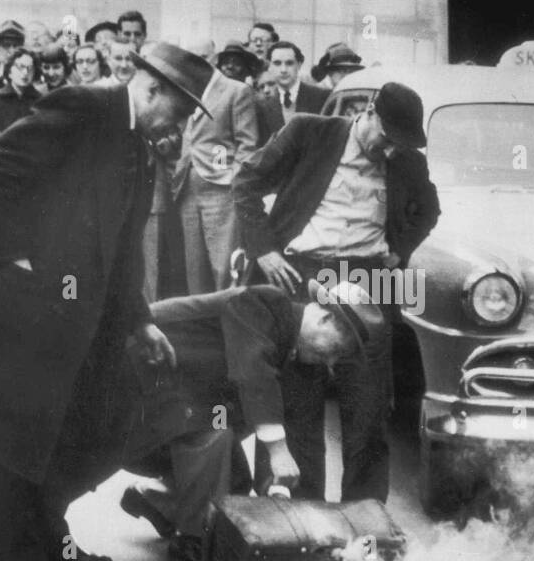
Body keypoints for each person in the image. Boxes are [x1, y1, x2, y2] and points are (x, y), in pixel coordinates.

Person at [0, 42, 211, 561]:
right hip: (17, 293)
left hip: (70, 306)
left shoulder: (140, 145)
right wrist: (14, 255)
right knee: (14, 424)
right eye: (183, 108)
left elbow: (123, 249)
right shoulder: (87, 107)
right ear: (151, 91)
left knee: (57, 423)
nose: (183, 122)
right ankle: (15, 560)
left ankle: (50, 546)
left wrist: (139, 321)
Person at [233, 82, 440, 503]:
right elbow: (246, 183)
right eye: (384, 139)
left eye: (397, 146)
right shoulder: (310, 132)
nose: (387, 151)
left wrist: (398, 253)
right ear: (367, 112)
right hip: (299, 273)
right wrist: (265, 251)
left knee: (367, 411)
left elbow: (429, 210)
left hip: (366, 280)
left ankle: (366, 524)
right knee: (296, 405)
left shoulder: (406, 162)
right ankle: (296, 522)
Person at [120, 280, 385, 561]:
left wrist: (306, 527)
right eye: (335, 349)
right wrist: (278, 452)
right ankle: (193, 539)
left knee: (235, 485)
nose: (332, 362)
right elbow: (253, 373)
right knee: (214, 436)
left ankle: (158, 501)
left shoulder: (301, 355)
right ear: (324, 317)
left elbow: (303, 444)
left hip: (185, 407)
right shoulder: (262, 303)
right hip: (134, 382)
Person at [173, 42, 261, 294]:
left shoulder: (236, 91)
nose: (197, 63)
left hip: (221, 192)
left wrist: (234, 180)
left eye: (203, 57)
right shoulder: (182, 88)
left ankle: (229, 326)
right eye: (192, 58)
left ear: (215, 58)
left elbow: (248, 143)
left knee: (224, 268)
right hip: (186, 188)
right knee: (194, 269)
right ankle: (200, 328)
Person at [258, 41, 329, 141]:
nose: (283, 70)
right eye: (277, 63)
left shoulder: (321, 96)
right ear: (270, 66)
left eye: (289, 63)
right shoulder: (263, 104)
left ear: (299, 65)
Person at [0, 47, 42, 138]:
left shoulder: (40, 102)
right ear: (9, 71)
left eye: (30, 68)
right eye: (20, 67)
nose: (25, 73)